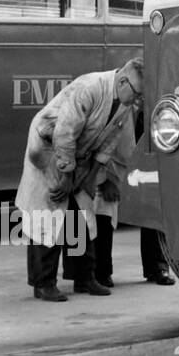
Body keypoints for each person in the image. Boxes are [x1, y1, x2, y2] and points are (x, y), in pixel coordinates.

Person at [17, 58, 144, 301]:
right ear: (124, 81)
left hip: (79, 154)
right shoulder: (90, 87)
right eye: (137, 94)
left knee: (81, 213)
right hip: (49, 147)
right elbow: (64, 133)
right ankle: (43, 283)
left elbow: (109, 142)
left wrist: (90, 176)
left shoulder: (124, 101)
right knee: (50, 213)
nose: (137, 102)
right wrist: (66, 177)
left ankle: (83, 278)